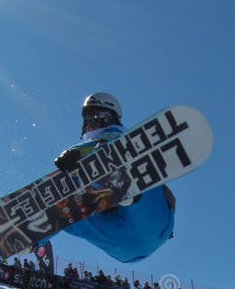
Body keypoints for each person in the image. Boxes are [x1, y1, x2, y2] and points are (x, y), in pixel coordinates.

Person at [53, 93, 176, 263]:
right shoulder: (83, 155)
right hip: (125, 246)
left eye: (98, 117)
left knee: (106, 157)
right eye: (87, 120)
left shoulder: (121, 137)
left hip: (151, 222)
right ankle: (32, 235)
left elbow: (112, 141)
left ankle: (125, 187)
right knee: (64, 210)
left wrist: (79, 152)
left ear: (112, 119)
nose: (91, 123)